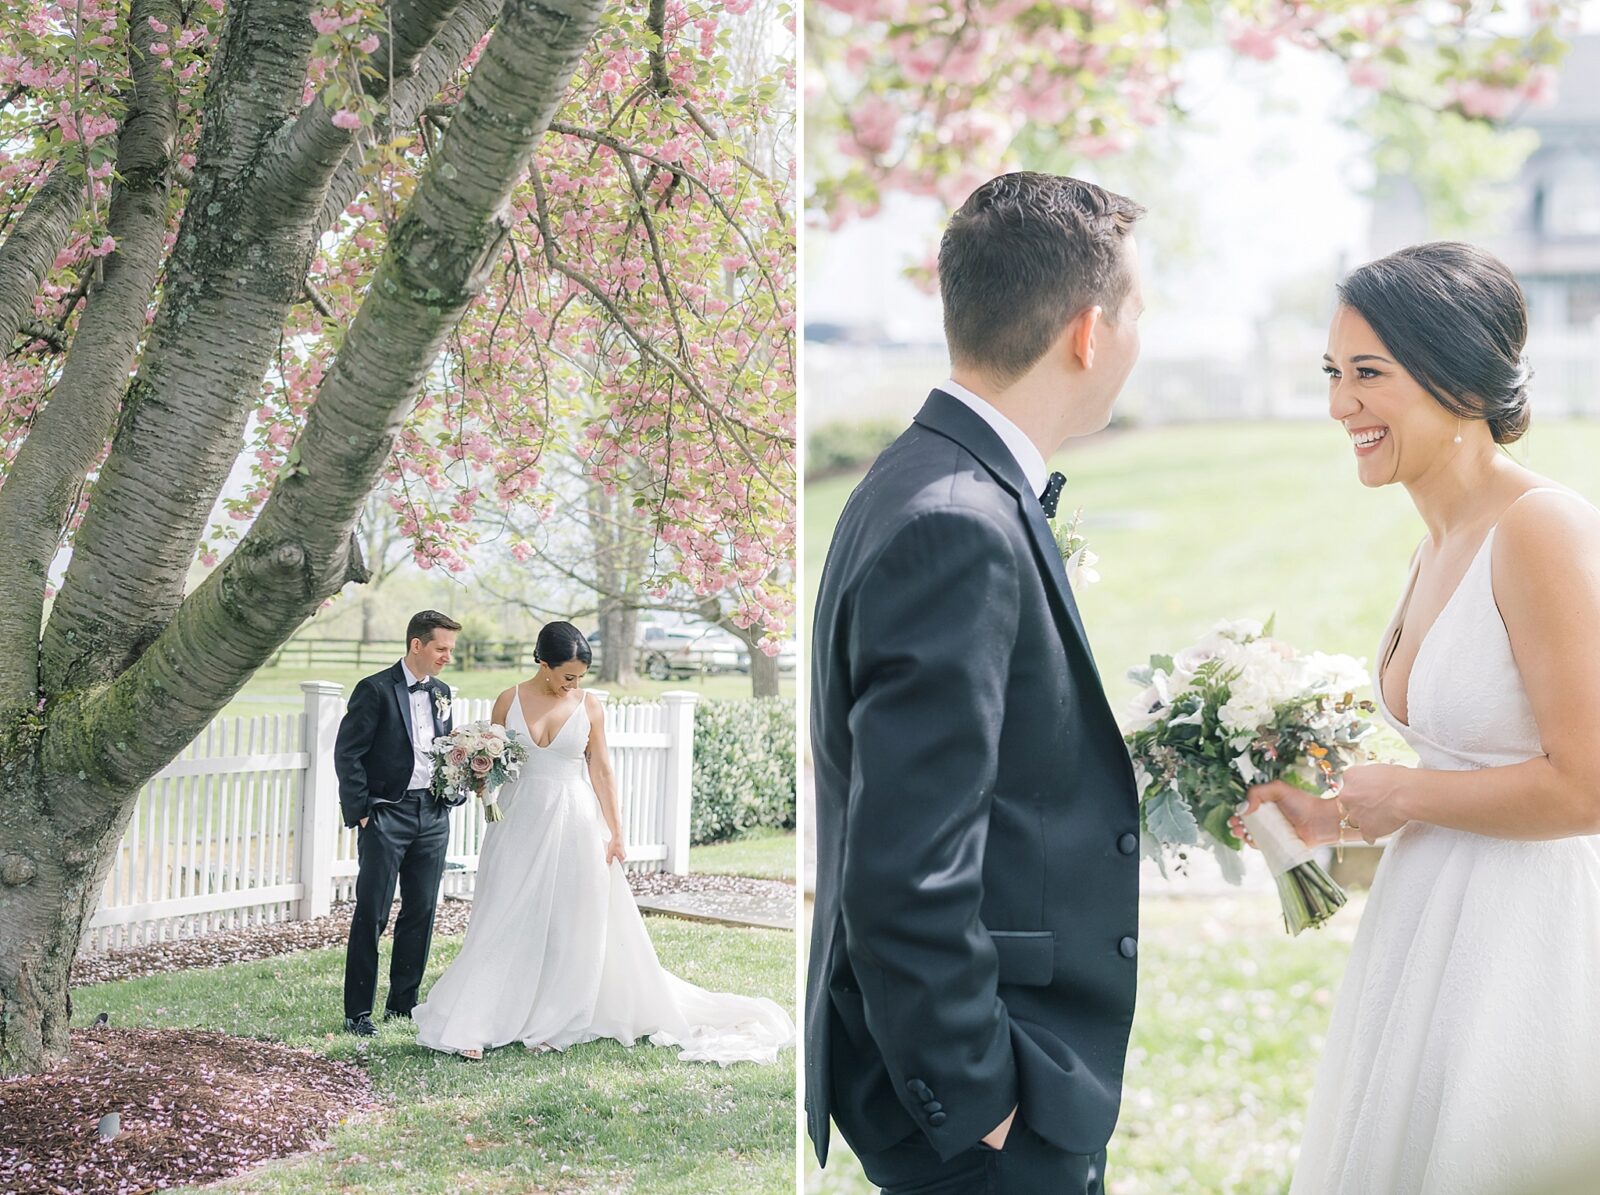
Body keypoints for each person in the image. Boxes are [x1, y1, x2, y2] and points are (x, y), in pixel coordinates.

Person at [806, 172, 1147, 1194]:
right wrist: (981, 1102)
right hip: (975, 1109)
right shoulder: (957, 518)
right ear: (1089, 333)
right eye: (1140, 312)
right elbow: (906, 862)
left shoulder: (922, 477)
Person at [1236, 242, 1600, 1195]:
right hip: (1427, 929)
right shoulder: (1434, 544)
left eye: (1368, 374)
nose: (1338, 405)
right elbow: (1466, 763)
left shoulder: (1543, 528)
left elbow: (1589, 784)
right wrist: (1334, 815)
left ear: (1457, 375)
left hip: (1524, 943)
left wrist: (1406, 787)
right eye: (1332, 373)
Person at [412, 621, 794, 1064]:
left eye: (580, 676)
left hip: (575, 822)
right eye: (567, 675)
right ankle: (475, 1021)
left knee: (571, 924)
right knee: (502, 914)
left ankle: (558, 1020)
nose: (574, 684)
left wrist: (617, 834)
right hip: (517, 822)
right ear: (543, 663)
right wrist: (480, 780)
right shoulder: (508, 700)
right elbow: (492, 763)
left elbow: (602, 771)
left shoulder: (589, 706)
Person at [336, 609, 461, 1036]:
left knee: (422, 910)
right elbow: (347, 753)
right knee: (372, 910)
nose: (447, 656)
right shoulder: (374, 690)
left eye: (450, 649)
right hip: (386, 812)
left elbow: (445, 750)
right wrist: (363, 810)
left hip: (432, 813)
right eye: (441, 648)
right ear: (416, 645)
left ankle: (403, 1005)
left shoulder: (442, 692)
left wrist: (455, 786)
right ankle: (358, 1012)